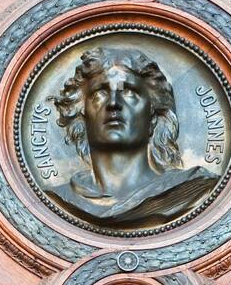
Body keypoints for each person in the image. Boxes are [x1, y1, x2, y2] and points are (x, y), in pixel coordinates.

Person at [46, 47, 218, 227]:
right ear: (82, 113)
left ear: (153, 115)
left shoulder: (192, 190)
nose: (113, 104)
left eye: (128, 92)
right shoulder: (58, 201)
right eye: (100, 93)